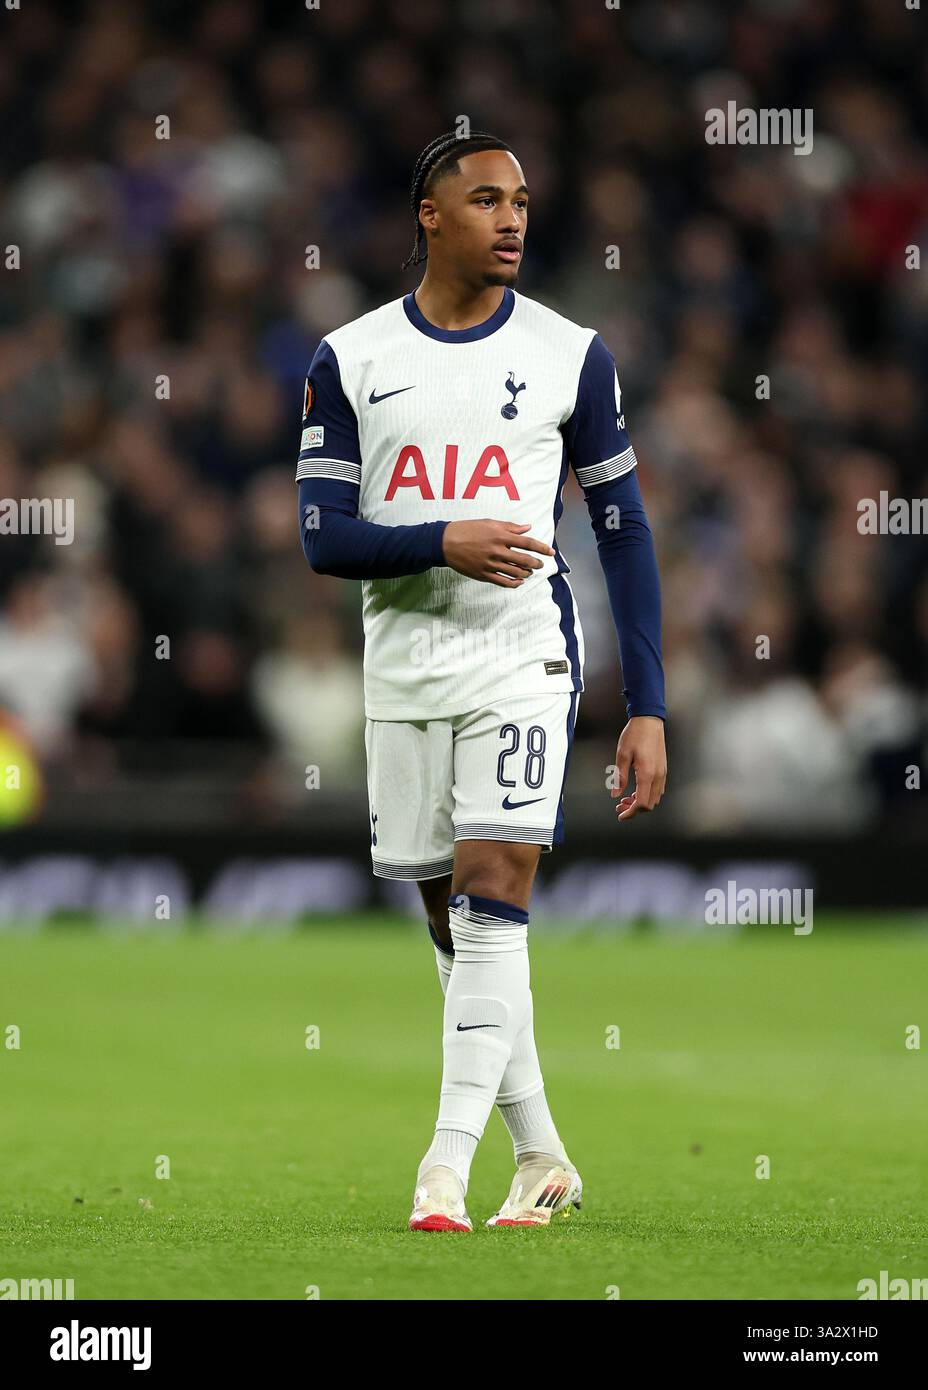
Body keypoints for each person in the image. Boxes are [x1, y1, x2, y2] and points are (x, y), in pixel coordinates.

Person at [296, 131, 667, 1231]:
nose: (511, 219)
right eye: (486, 200)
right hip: (404, 672)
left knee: (493, 902)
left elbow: (624, 529)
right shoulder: (351, 358)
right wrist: (440, 538)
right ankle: (542, 1153)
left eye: (521, 202)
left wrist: (646, 702)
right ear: (430, 215)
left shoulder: (570, 352)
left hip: (522, 660)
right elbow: (323, 536)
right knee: (452, 928)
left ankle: (442, 1169)